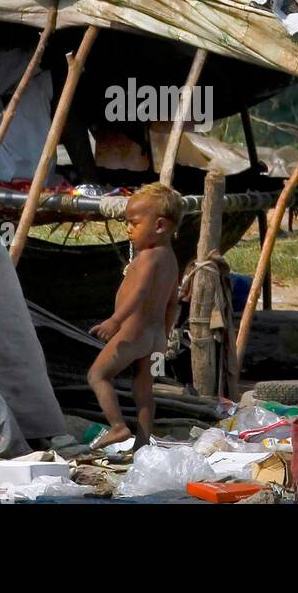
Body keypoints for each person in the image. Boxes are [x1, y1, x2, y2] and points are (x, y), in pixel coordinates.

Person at [87, 183, 182, 450]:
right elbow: (173, 303)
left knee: (97, 376)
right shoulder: (172, 259)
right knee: (144, 390)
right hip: (154, 338)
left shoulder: (148, 258)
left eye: (134, 223)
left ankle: (118, 427)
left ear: (159, 226)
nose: (128, 229)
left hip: (133, 332)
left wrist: (115, 321)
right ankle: (142, 442)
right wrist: (165, 335)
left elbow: (139, 293)